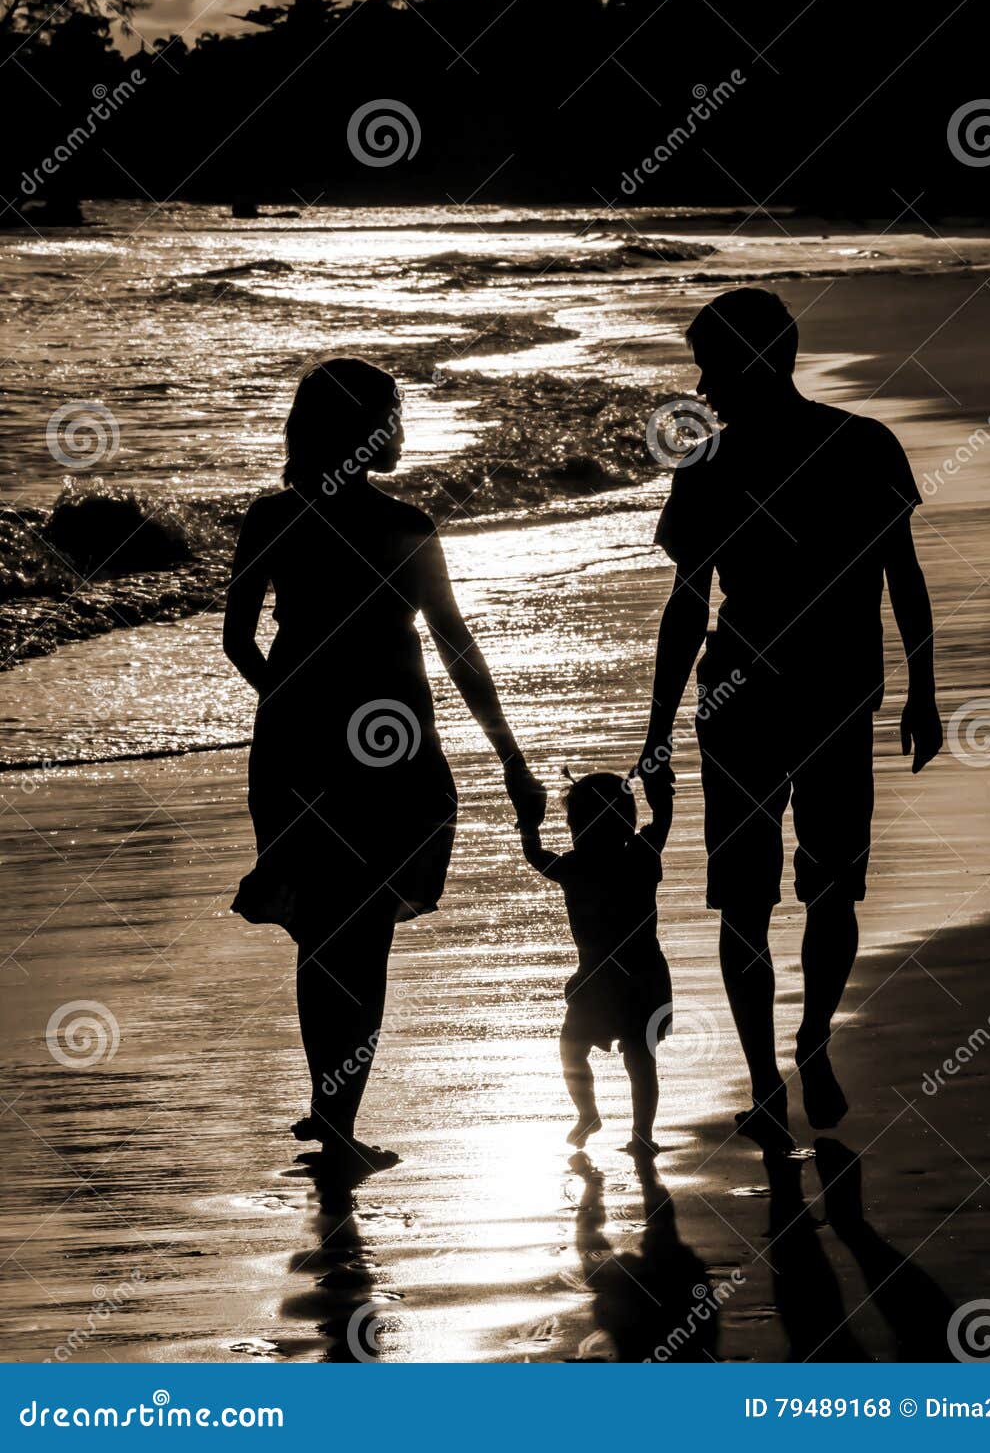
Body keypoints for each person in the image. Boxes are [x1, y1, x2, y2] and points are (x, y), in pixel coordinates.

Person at [223, 357, 545, 1177]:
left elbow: (237, 641)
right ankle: (337, 1121)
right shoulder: (407, 526)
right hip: (392, 748)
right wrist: (511, 758)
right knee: (362, 940)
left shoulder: (270, 519)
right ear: (368, 429)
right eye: (393, 413)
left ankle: (330, 1116)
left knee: (319, 933)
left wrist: (289, 705)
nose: (400, 426)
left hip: (294, 749)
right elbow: (456, 646)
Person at [637, 288, 942, 1151]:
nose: (701, 382)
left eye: (712, 361)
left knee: (793, 891)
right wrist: (657, 729)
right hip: (793, 694)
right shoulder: (840, 447)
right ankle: (774, 1068)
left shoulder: (825, 449)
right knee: (797, 889)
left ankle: (798, 1051)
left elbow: (901, 575)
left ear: (760, 358)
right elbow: (687, 603)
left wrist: (925, 690)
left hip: (781, 697)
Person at [520, 770, 673, 1157]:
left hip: (601, 979)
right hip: (642, 976)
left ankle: (591, 1115)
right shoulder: (641, 854)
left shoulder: (576, 866)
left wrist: (528, 821)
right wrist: (658, 788)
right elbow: (664, 819)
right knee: (640, 1059)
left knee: (574, 1049)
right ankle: (640, 1132)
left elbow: (536, 855)